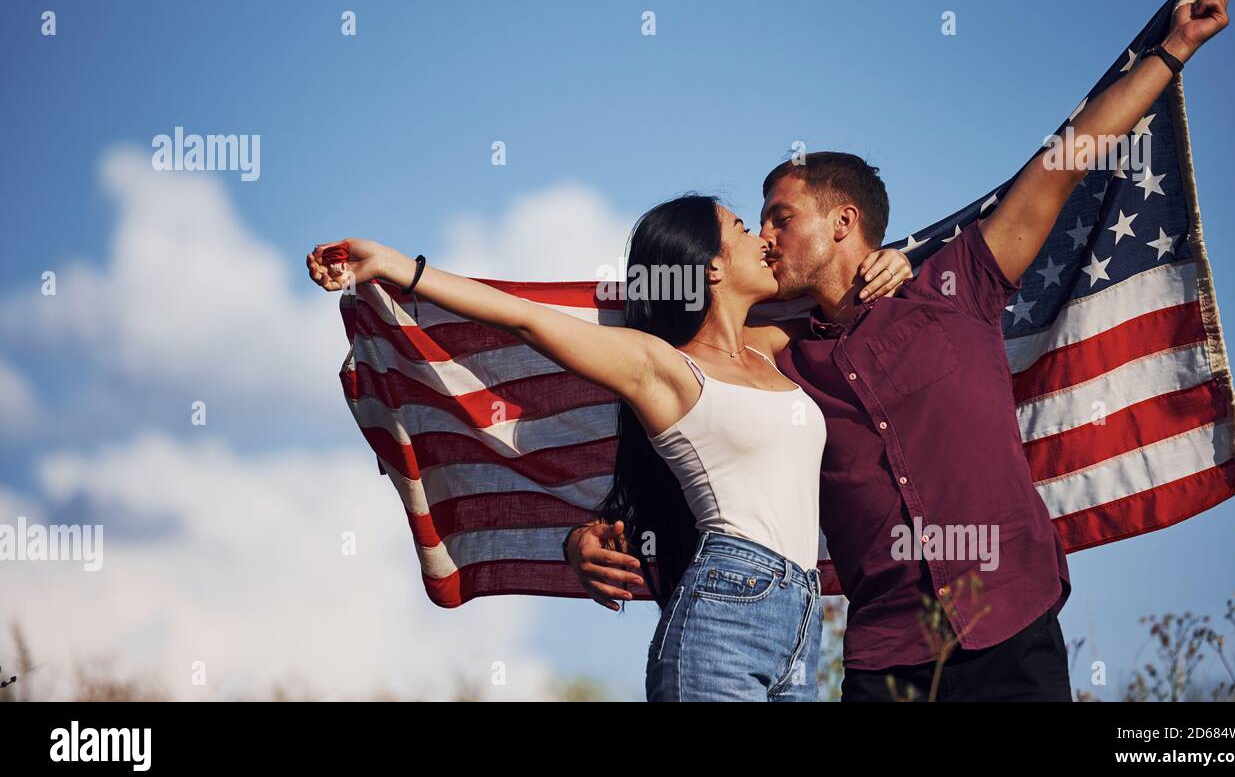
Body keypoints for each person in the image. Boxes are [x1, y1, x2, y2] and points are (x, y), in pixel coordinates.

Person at [568, 0, 1231, 701]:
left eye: (780, 218)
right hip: (884, 661)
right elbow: (677, 381)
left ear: (844, 221)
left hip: (1014, 630)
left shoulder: (961, 283)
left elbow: (1063, 162)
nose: (764, 237)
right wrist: (597, 527)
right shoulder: (779, 359)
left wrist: (1174, 50)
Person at [306, 196, 913, 701]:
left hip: (801, 625)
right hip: (725, 611)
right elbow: (526, 320)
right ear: (710, 266)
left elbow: (853, 300)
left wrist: (896, 263)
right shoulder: (661, 366)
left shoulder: (773, 345)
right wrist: (393, 265)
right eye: (742, 227)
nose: (763, 239)